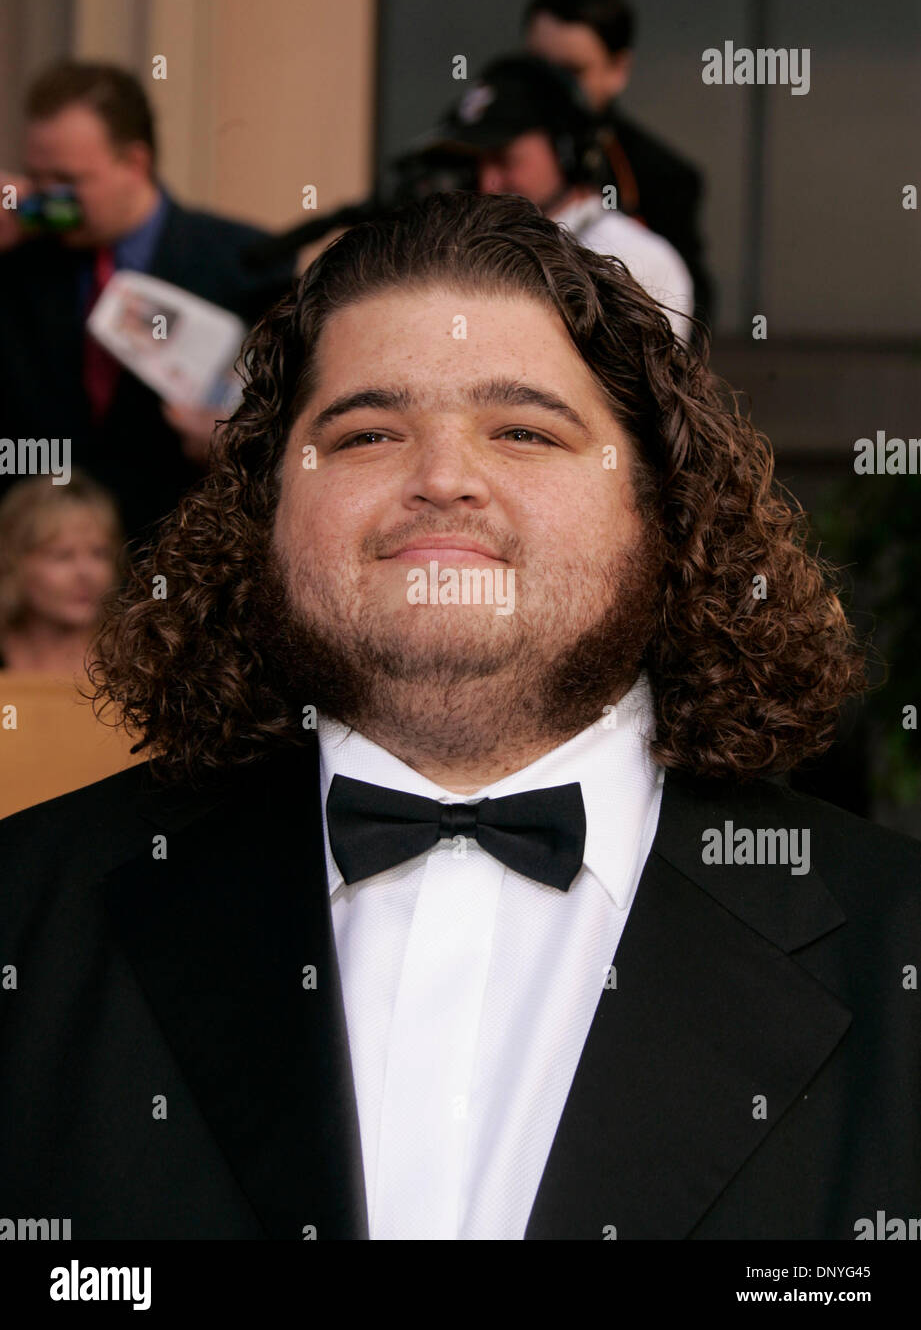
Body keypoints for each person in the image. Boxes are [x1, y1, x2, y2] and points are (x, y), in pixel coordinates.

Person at [0, 191, 917, 1241]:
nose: (441, 478)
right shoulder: (29, 915)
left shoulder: (898, 952)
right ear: (266, 514)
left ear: (660, 510)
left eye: (523, 429)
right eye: (366, 433)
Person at [0, 61, 296, 547]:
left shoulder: (250, 265)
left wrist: (239, 437)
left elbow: (288, 427)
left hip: (182, 566)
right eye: (37, 179)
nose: (50, 201)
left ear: (134, 163)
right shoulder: (18, 262)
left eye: (67, 182)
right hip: (36, 569)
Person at [434, 54, 694, 344]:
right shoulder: (464, 247)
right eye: (477, 165)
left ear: (567, 150)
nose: (487, 183)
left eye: (504, 159)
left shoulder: (637, 256)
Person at [524, 0, 713, 326]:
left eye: (571, 72)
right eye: (537, 68)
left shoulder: (660, 176)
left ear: (618, 70)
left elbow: (688, 313)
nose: (548, 88)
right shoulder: (478, 152)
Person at [0, 471, 144, 816]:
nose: (85, 572)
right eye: (62, 556)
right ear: (15, 563)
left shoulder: (143, 673)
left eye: (98, 553)